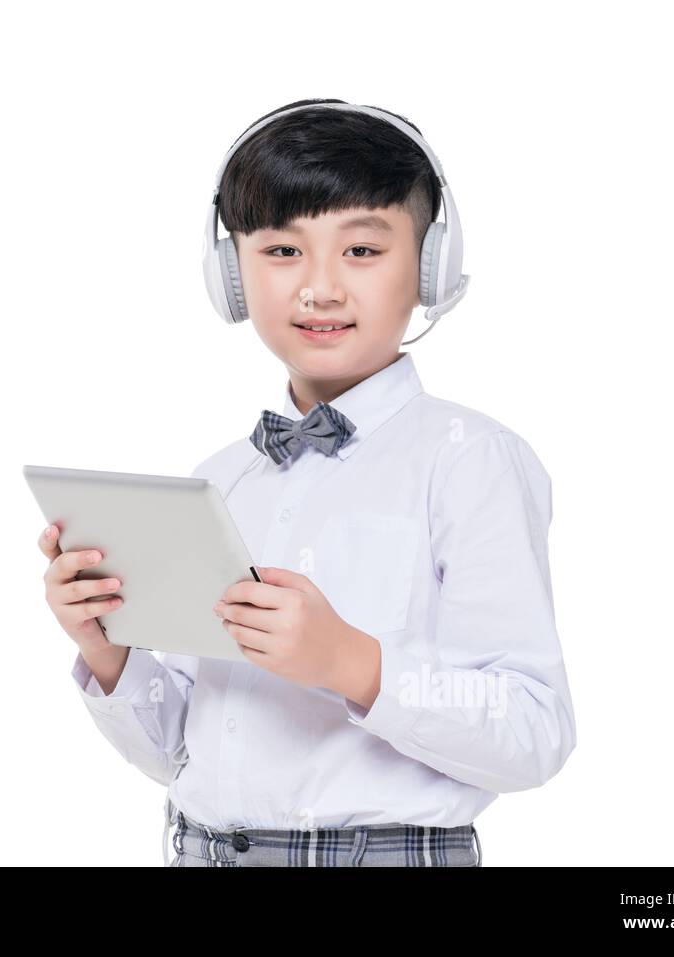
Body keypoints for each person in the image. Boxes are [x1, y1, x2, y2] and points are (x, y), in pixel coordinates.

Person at [37, 98, 576, 867]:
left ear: (429, 266)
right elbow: (178, 752)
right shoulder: (219, 479)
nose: (319, 288)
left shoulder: (470, 461)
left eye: (361, 251)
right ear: (231, 275)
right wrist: (109, 650)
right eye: (282, 252)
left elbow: (536, 730)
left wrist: (350, 662)